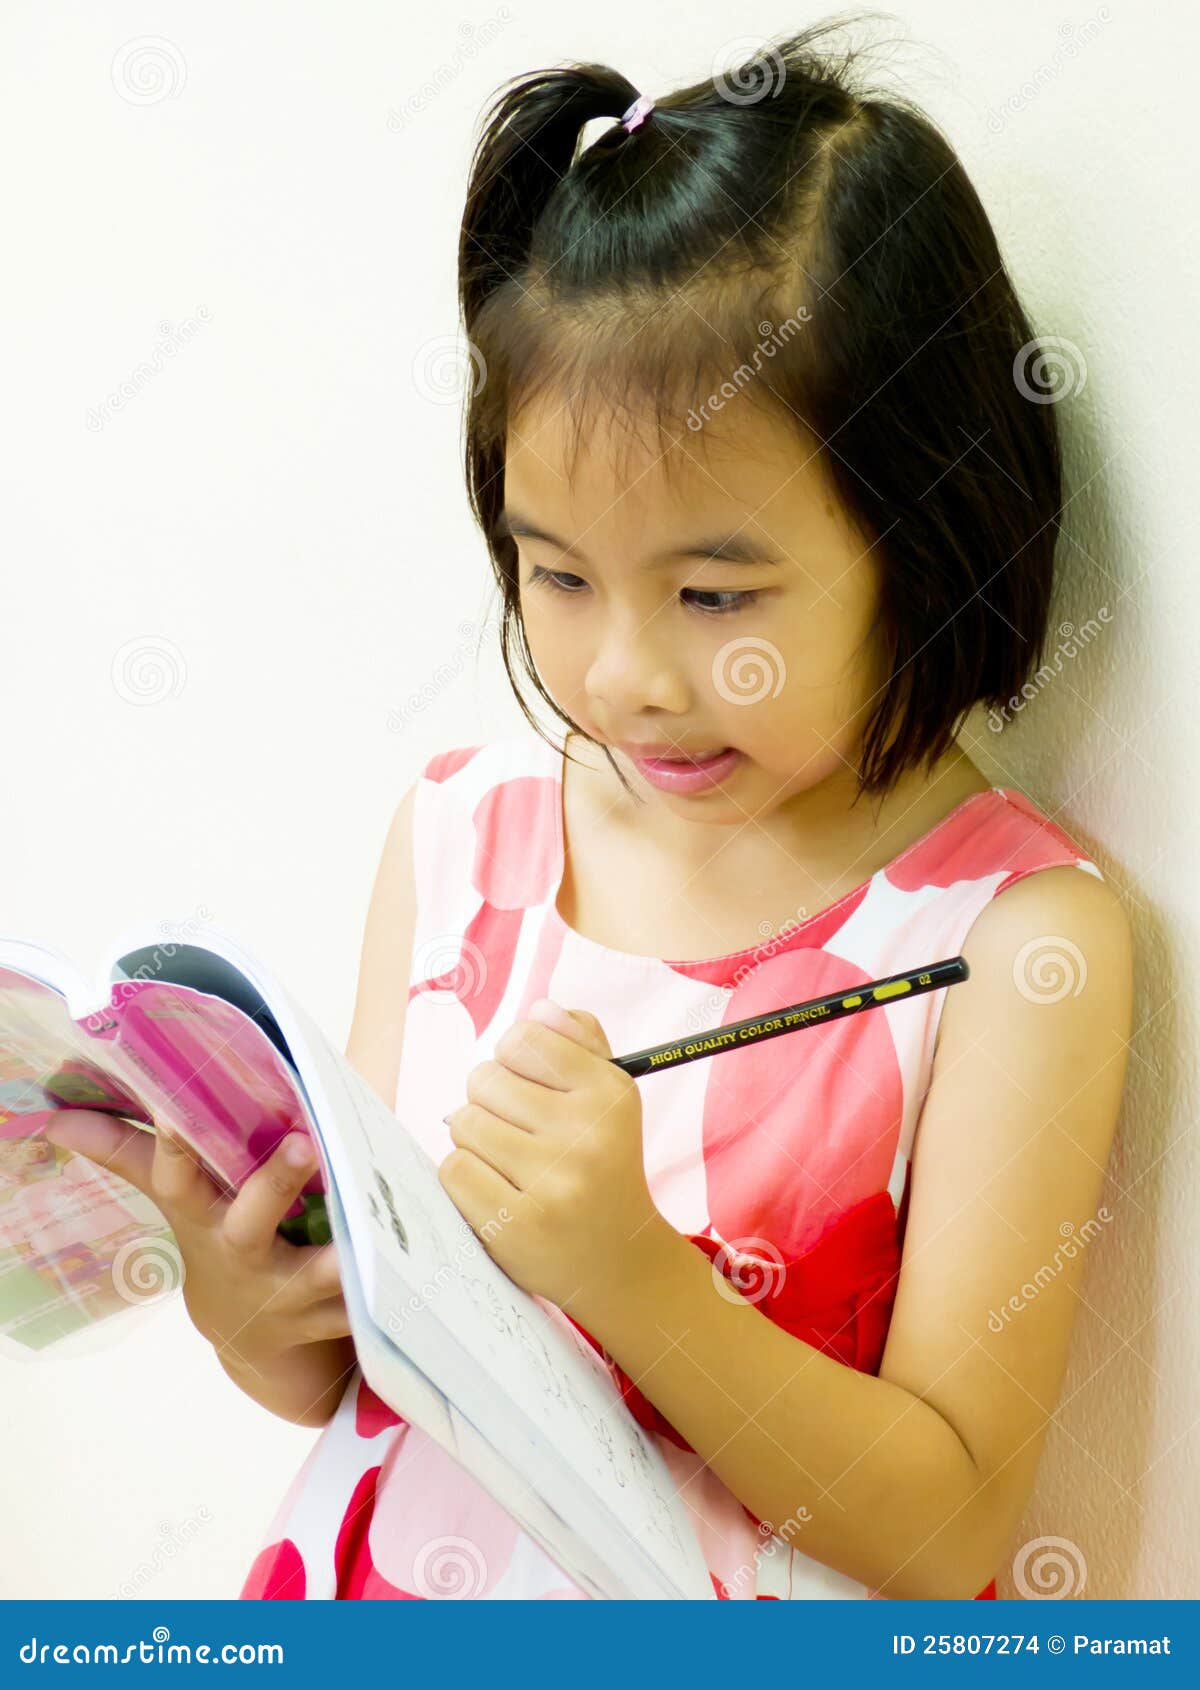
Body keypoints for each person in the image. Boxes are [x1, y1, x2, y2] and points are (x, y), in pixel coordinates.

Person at [43, 18, 1133, 1600]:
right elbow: (381, 1372)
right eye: (556, 574)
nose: (624, 677)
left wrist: (634, 1277)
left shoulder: (1015, 936)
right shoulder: (459, 840)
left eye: (712, 592)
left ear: (926, 527)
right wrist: (254, 1315)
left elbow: (956, 1527)